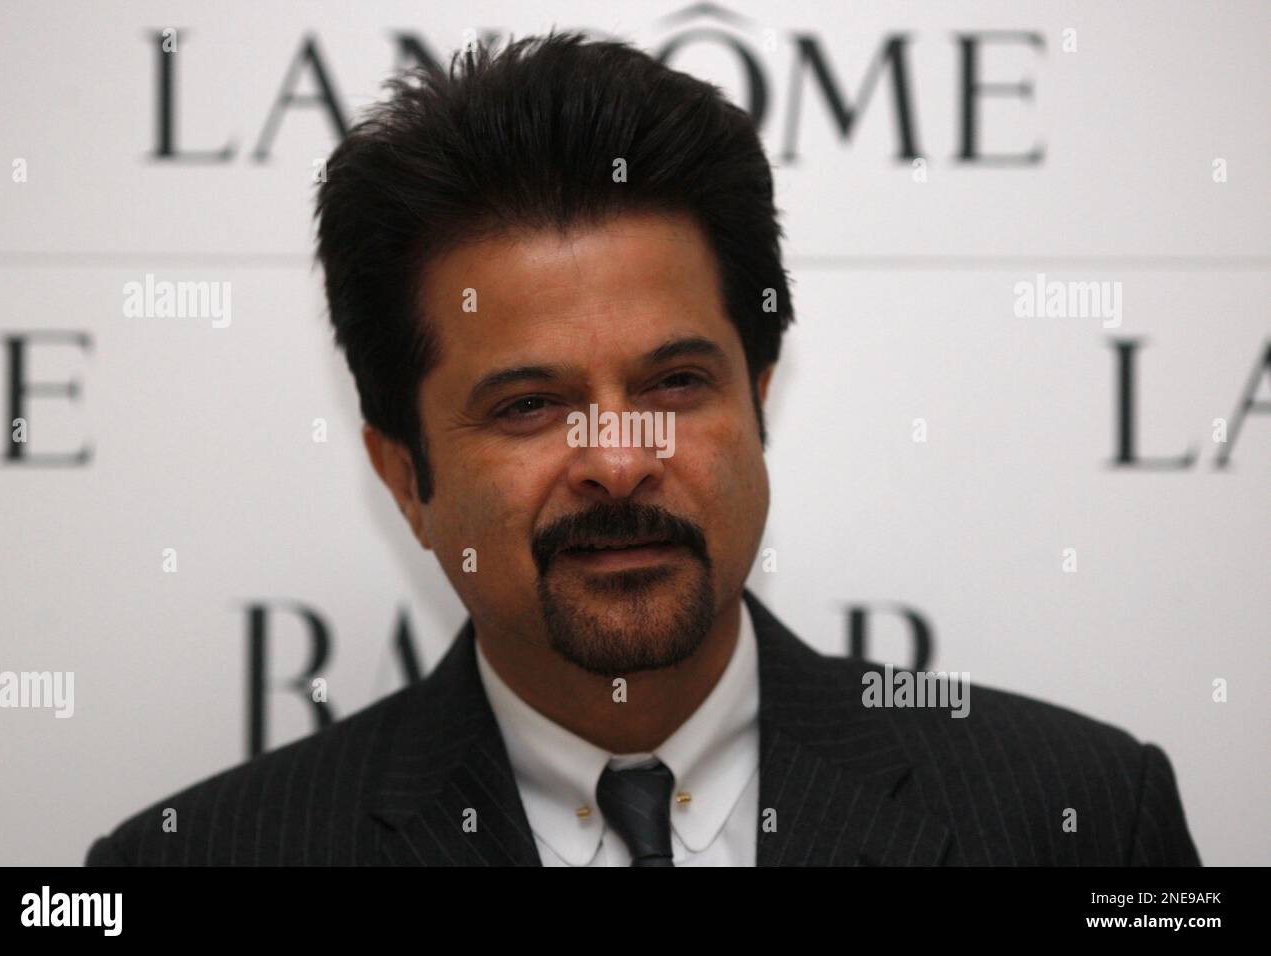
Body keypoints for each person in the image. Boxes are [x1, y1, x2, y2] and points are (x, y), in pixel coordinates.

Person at [86, 31, 1200, 867]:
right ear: (403, 475)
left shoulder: (1085, 816)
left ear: (758, 401)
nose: (617, 460)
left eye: (674, 385)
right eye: (528, 405)